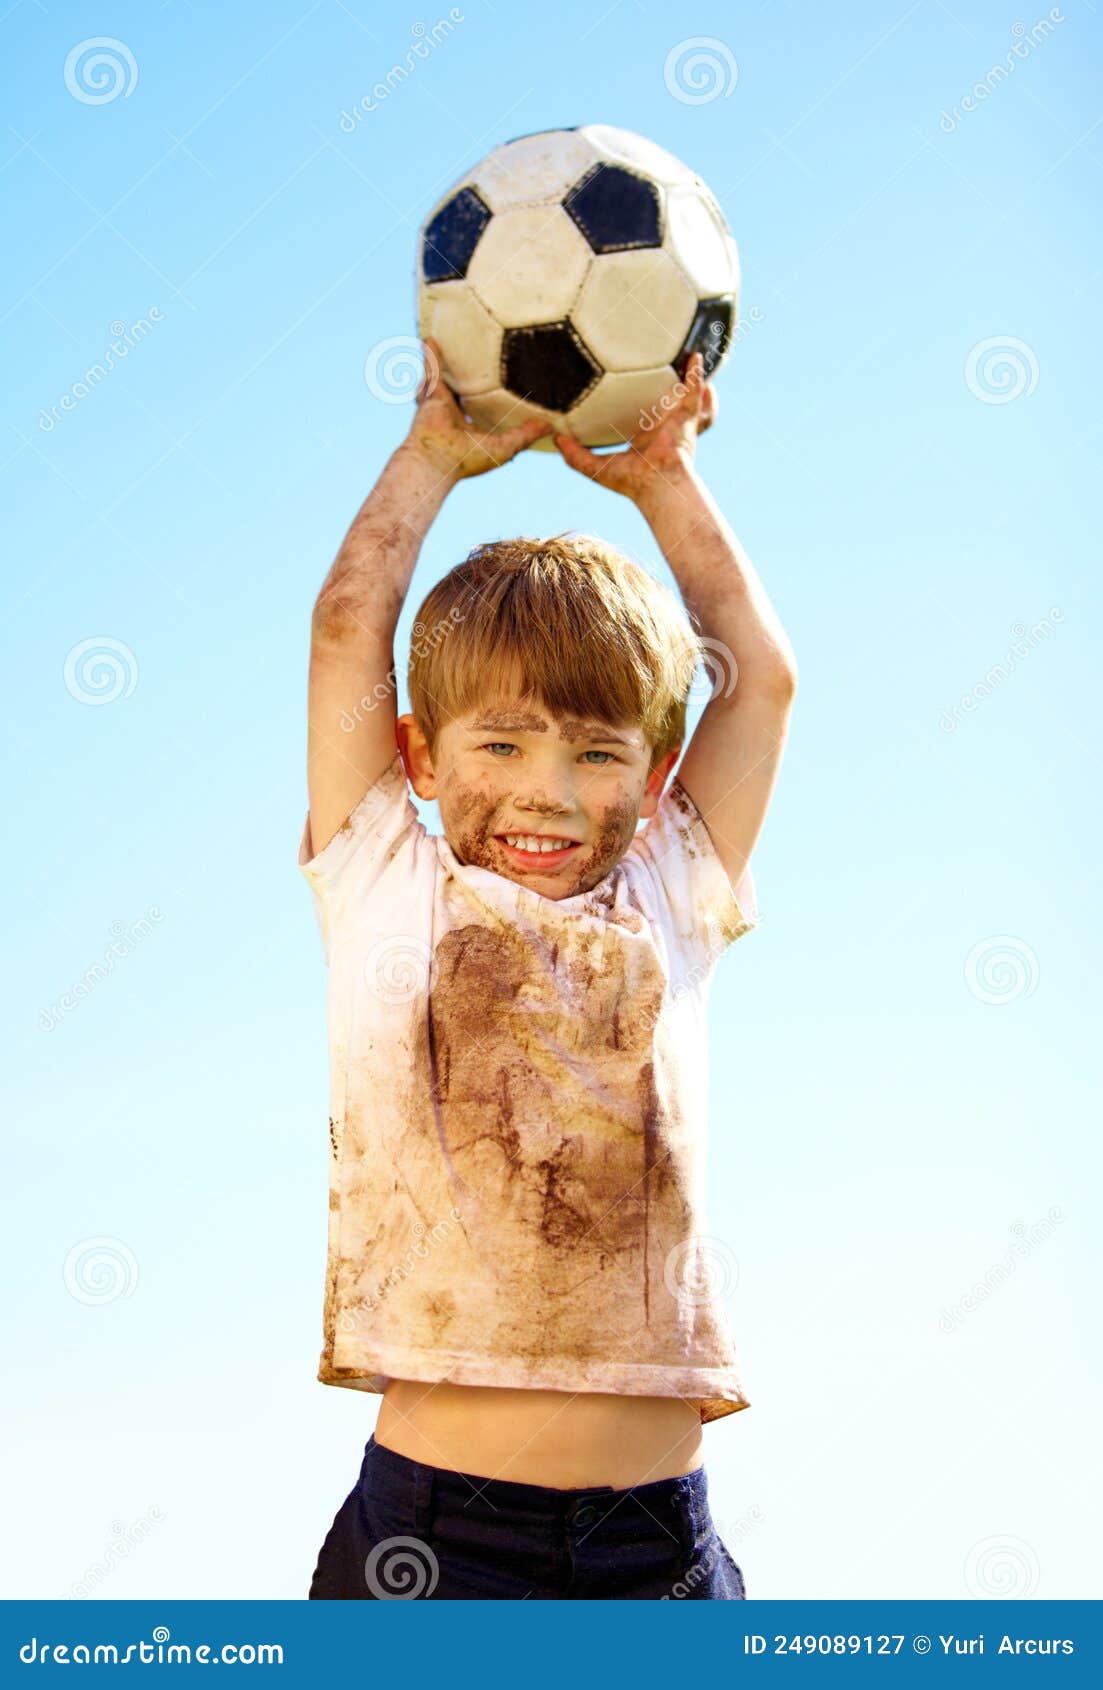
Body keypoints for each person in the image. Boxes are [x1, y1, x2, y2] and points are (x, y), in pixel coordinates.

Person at [298, 338, 797, 1599]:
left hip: (654, 1547)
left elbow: (760, 679)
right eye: (503, 745)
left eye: (596, 753)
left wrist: (664, 480)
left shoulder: (670, 898)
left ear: (653, 772)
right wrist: (428, 459)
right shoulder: (385, 882)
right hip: (434, 1544)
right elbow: (347, 628)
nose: (549, 792)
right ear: (419, 754)